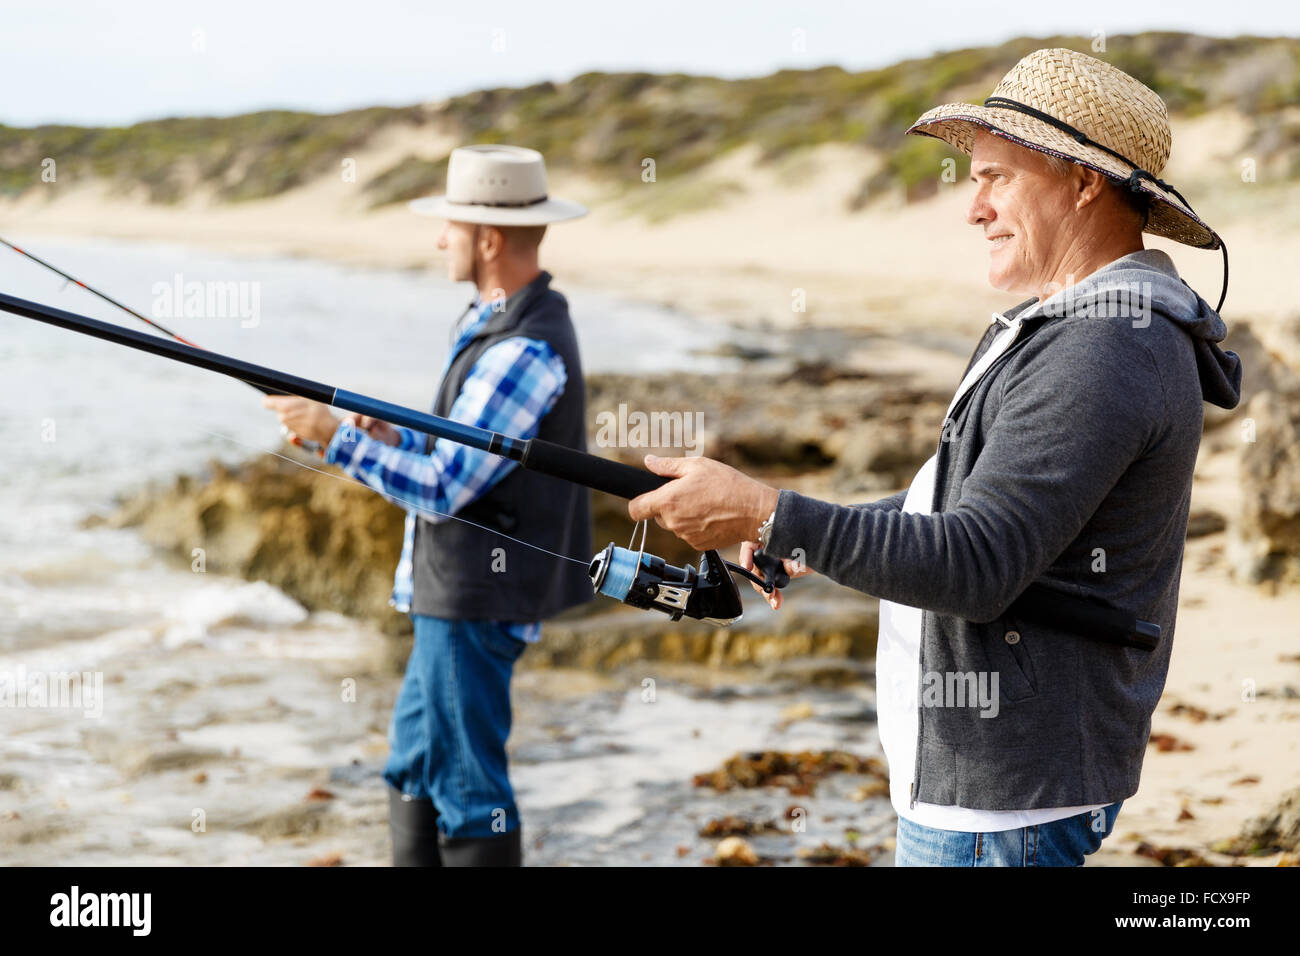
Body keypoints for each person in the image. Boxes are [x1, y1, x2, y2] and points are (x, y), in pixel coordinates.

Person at [625, 48, 1243, 866]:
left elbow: (977, 565)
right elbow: (974, 509)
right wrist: (804, 533)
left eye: (996, 177)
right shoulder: (1076, 327)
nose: (972, 207)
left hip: (1002, 804)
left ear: (1085, 181)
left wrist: (768, 512)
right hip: (997, 791)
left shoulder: (1102, 347)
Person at [264, 145, 592, 866]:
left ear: (488, 238)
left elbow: (446, 488)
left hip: (473, 601)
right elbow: (469, 448)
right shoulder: (497, 322)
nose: (440, 239)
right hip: (455, 598)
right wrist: (388, 432)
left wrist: (334, 440)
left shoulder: (522, 349)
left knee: (469, 790)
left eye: (450, 225)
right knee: (414, 768)